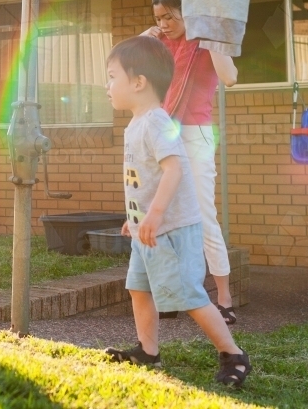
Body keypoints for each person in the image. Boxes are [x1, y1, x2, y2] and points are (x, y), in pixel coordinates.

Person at [104, 36, 250, 388]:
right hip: (148, 229)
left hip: (170, 231)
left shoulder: (157, 122)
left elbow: (174, 169)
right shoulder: (136, 123)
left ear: (138, 83)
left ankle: (233, 354)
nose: (106, 86)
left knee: (189, 294)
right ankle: (148, 352)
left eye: (112, 77)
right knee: (140, 289)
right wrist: (136, 215)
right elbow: (146, 179)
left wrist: (153, 215)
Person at [140, 0, 240, 324]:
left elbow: (230, 77)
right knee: (165, 216)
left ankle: (224, 298)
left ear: (188, 13)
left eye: (169, 16)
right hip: (165, 134)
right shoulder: (162, 44)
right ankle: (172, 294)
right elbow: (124, 68)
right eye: (158, 18)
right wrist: (146, 36)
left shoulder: (204, 40)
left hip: (195, 135)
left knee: (203, 216)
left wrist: (212, 37)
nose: (164, 23)